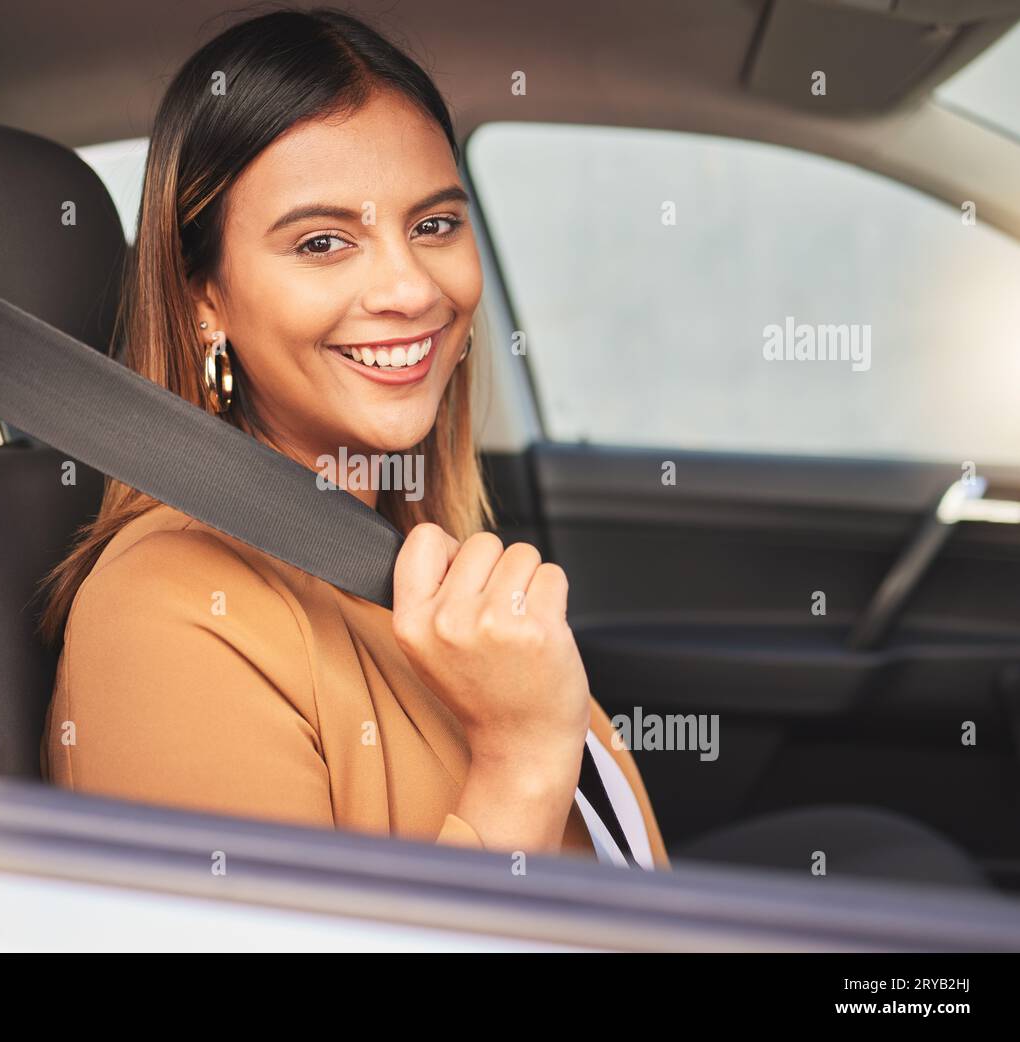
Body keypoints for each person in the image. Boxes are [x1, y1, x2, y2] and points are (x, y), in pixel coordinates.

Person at [39, 6, 668, 868]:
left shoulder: (414, 549)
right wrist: (521, 758)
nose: (409, 288)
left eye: (434, 225)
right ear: (204, 298)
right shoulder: (164, 612)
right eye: (324, 242)